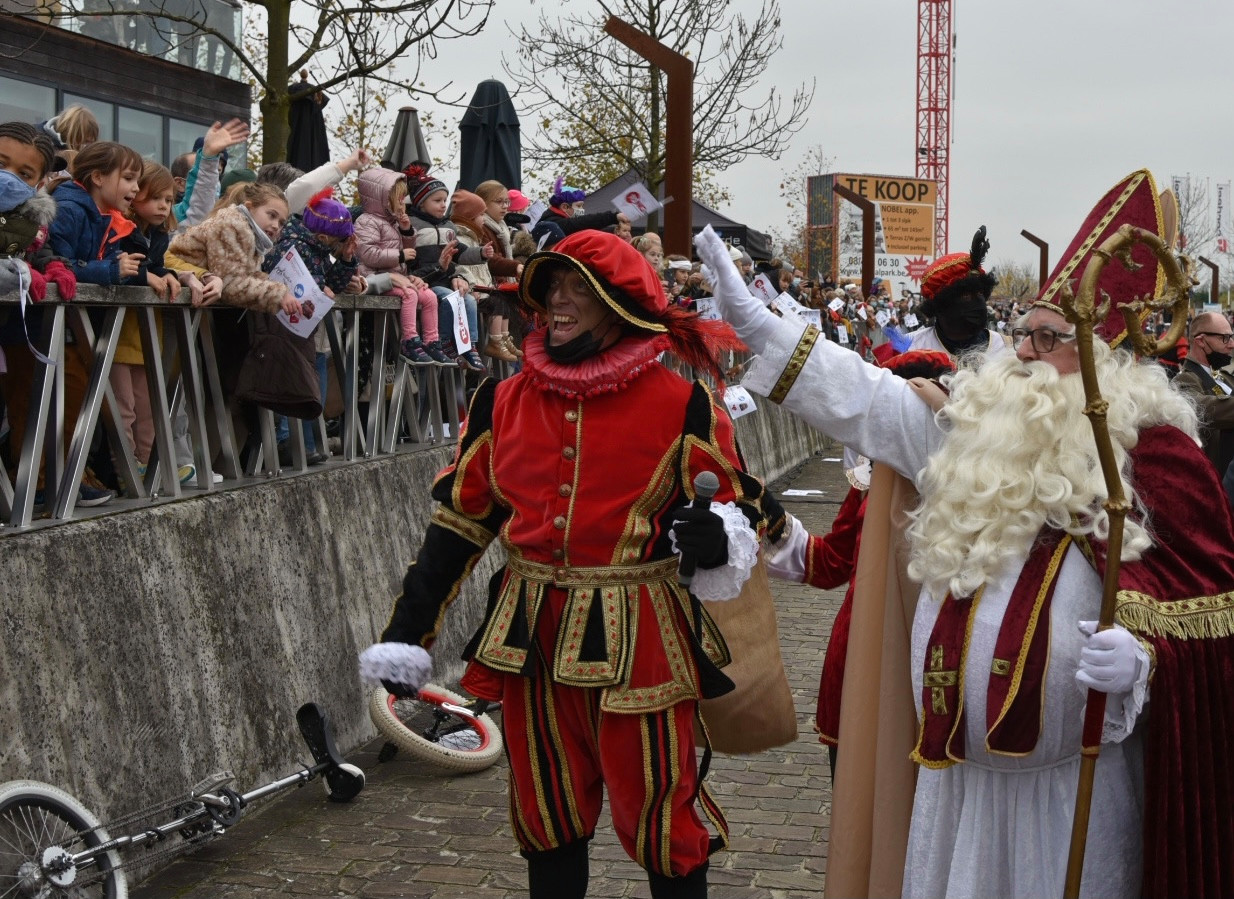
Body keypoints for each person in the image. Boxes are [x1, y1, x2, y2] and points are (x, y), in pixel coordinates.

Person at [694, 166, 1234, 899]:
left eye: (1048, 337)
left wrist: (1147, 657)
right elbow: (868, 402)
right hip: (958, 790)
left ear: (1106, 362)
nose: (1022, 354)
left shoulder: (1155, 458)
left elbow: (1207, 619)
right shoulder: (977, 433)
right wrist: (763, 326)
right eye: (1024, 333)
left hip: (1077, 792)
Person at [360, 229, 769, 899]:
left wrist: (712, 537)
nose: (559, 301)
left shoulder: (683, 403)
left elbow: (740, 510)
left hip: (643, 641)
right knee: (546, 814)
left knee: (663, 817)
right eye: (553, 287)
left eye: (579, 288)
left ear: (619, 304)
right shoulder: (504, 400)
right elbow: (461, 526)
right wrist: (408, 633)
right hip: (531, 640)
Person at [262, 187, 361, 465]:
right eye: (339, 243)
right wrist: (322, 288)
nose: (339, 247)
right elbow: (290, 281)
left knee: (310, 387)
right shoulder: (293, 246)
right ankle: (288, 443)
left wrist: (346, 260)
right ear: (323, 237)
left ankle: (307, 445)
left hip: (307, 330)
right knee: (293, 385)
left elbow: (331, 283)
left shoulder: (314, 247)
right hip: (286, 331)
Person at [354, 165, 447, 366]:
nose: (403, 202)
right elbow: (368, 254)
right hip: (374, 278)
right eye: (397, 197)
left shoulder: (393, 222)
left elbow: (408, 255)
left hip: (396, 278)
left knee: (429, 296)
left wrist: (406, 232)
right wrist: (399, 255)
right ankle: (409, 341)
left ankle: (432, 341)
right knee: (410, 294)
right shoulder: (366, 221)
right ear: (381, 198)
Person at [401, 164, 487, 371]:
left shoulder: (449, 226)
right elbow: (410, 264)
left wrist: (481, 253)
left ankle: (469, 345)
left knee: (468, 300)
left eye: (444, 201)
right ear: (421, 203)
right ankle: (446, 342)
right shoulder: (413, 226)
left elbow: (460, 252)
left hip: (446, 278)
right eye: (436, 201)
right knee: (451, 298)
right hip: (427, 281)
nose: (442, 205)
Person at [908, 226, 1014, 362]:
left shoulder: (1006, 348)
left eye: (980, 293)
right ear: (940, 305)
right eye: (966, 296)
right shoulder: (912, 347)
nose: (978, 302)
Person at [1171, 310, 1234, 478]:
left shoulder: (1222, 376)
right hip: (1221, 479)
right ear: (1201, 341)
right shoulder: (1184, 380)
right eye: (1225, 338)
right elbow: (1203, 407)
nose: (1231, 344)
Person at [539, 176, 629, 237]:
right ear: (564, 207)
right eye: (578, 206)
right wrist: (613, 217)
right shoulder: (554, 223)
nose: (582, 209)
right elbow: (582, 223)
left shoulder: (550, 219)